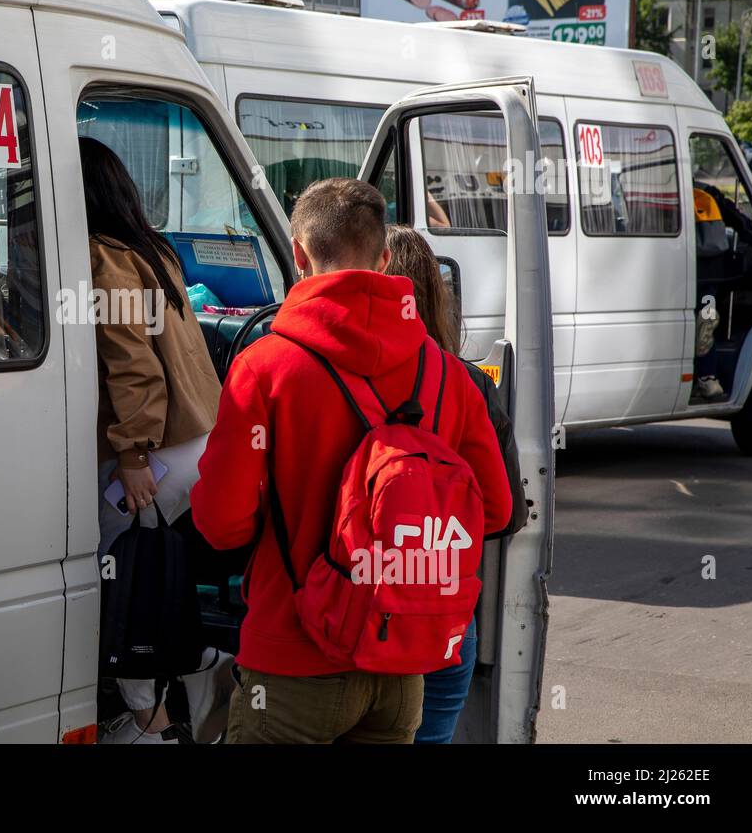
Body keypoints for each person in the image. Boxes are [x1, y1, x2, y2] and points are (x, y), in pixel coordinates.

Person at [190, 178, 511, 744]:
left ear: (297, 252)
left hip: (290, 663)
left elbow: (220, 524)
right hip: (398, 664)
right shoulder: (444, 373)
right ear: (385, 258)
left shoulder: (265, 367)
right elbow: (494, 510)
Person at [80, 136, 233, 744]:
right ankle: (198, 667)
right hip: (196, 444)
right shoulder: (153, 248)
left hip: (157, 453)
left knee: (118, 577)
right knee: (152, 568)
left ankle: (147, 718)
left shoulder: (103, 256)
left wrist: (132, 454)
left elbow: (132, 364)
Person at [383, 224, 526, 743]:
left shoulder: (325, 372)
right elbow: (503, 512)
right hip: (444, 616)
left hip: (357, 615)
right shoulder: (464, 382)